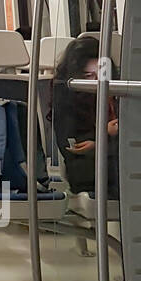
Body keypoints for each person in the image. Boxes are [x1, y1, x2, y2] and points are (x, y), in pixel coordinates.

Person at [51, 34, 119, 198]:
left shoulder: (116, 94)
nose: (97, 82)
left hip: (117, 160)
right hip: (88, 169)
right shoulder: (67, 100)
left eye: (101, 74)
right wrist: (104, 133)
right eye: (89, 76)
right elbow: (73, 148)